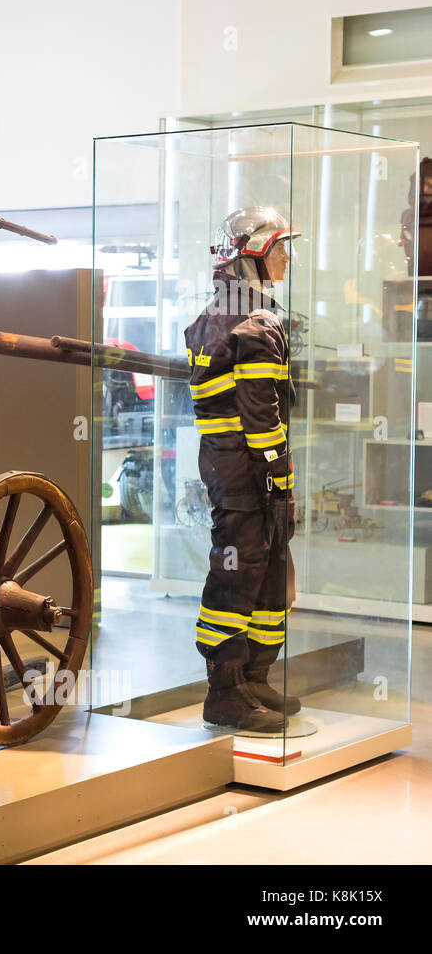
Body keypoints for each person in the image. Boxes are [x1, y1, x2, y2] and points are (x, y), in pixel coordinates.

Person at [183, 206, 300, 732]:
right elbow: (260, 414)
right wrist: (279, 480)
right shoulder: (257, 322)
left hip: (229, 464)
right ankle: (225, 693)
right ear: (251, 254)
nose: (286, 257)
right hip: (247, 468)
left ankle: (252, 679)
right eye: (278, 247)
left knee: (261, 564)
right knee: (241, 569)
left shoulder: (218, 314)